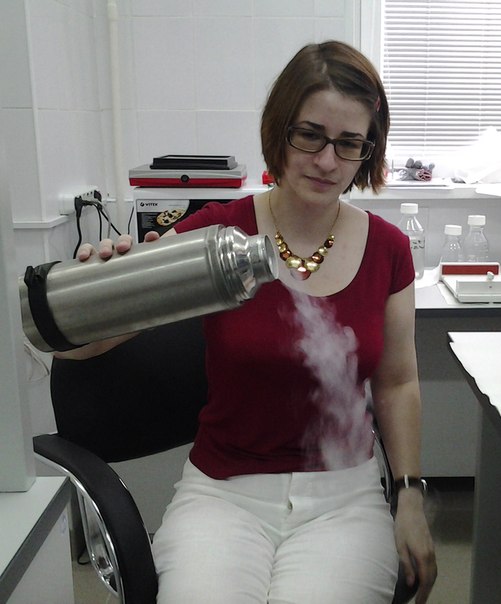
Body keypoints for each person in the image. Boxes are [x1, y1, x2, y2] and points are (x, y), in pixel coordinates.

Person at [62, 41, 436, 603]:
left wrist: (408, 496)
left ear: (368, 149)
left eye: (348, 143)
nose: (327, 161)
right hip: (223, 495)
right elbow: (76, 351)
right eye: (310, 135)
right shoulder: (214, 235)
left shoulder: (388, 250)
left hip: (344, 499)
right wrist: (91, 293)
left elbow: (398, 382)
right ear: (279, 130)